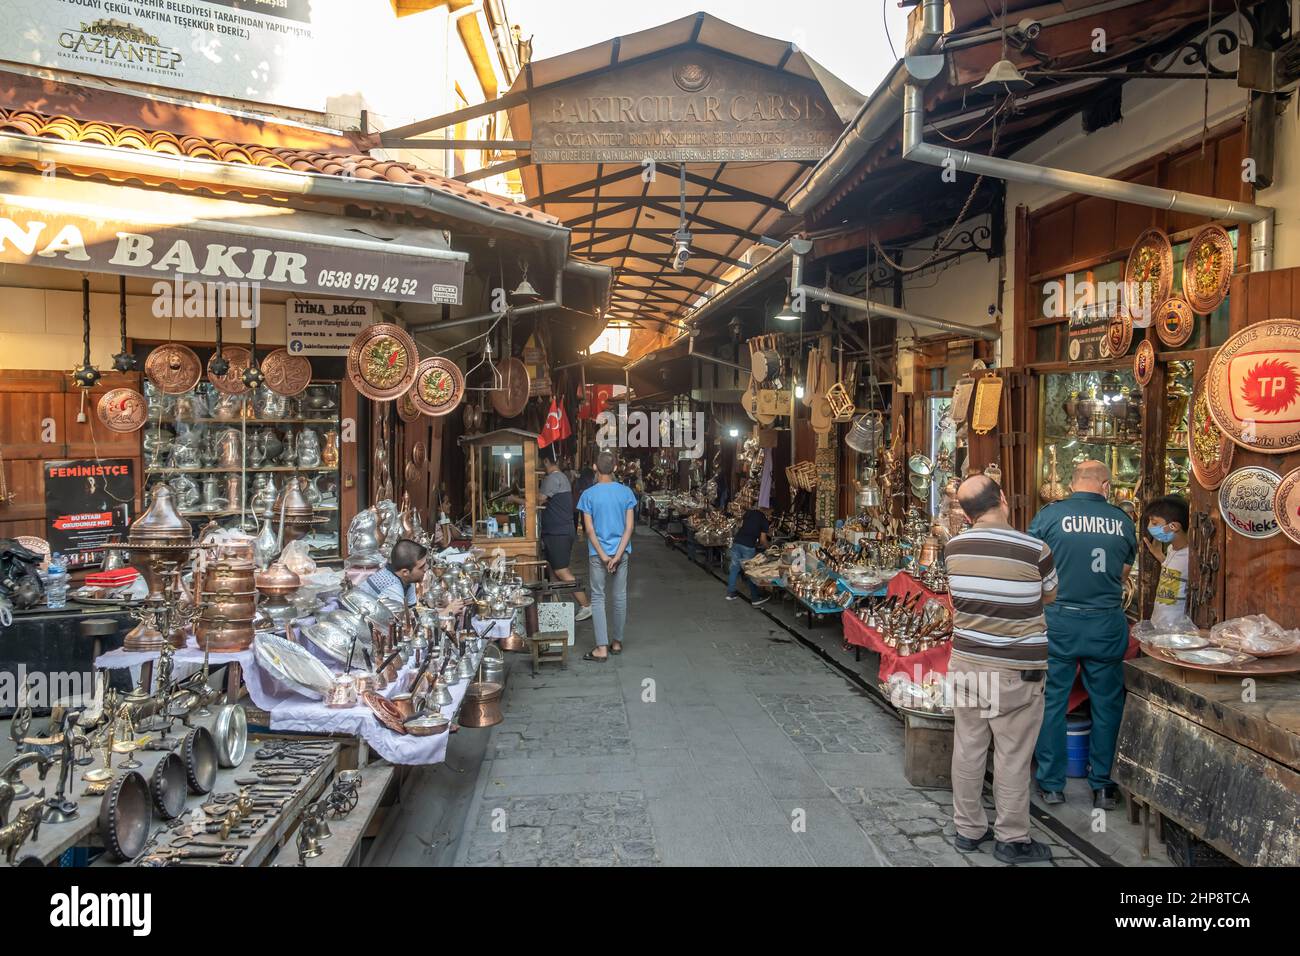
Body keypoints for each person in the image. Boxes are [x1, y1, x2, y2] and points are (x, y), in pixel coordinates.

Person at [944, 476, 1059, 864]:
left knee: (969, 746)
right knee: (1011, 753)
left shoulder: (953, 547)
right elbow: (1050, 594)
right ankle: (1011, 837)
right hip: (1015, 668)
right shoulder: (1035, 549)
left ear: (964, 513)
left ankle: (967, 829)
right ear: (1004, 500)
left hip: (967, 663)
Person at [1028, 460, 1136, 811]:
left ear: (1073, 484)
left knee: (1053, 702)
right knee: (1107, 704)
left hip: (1059, 621)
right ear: (1105, 485)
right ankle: (1103, 786)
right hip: (1105, 622)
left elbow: (1032, 570)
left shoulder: (1049, 516)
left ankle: (1052, 784)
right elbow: (1122, 573)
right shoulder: (1122, 520)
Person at [576, 451, 637, 661]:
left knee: (599, 598)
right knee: (619, 596)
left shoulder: (588, 495)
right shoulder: (626, 493)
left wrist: (603, 556)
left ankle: (601, 648)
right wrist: (617, 555)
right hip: (621, 553)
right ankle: (617, 642)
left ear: (594, 467)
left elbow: (589, 531)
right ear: (616, 468)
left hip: (598, 554)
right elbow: (629, 528)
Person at [538, 454, 592, 621]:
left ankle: (586, 605)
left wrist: (515, 498)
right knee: (554, 569)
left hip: (558, 532)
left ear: (546, 460)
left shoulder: (553, 478)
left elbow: (538, 500)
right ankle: (555, 606)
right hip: (560, 530)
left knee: (561, 570)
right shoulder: (561, 477)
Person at [1143, 495, 1190, 628]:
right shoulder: (1170, 549)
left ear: (1174, 526)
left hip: (1176, 630)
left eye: (1155, 523)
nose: (1149, 527)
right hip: (1159, 623)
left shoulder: (1191, 556)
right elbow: (1175, 577)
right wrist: (1161, 558)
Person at [362, 538, 428, 608]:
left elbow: (412, 609)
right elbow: (400, 617)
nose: (426, 568)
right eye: (421, 567)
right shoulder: (392, 587)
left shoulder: (407, 578)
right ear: (405, 572)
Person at [726, 506, 771, 606]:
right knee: (750, 571)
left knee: (734, 568)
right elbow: (763, 539)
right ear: (768, 510)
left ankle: (730, 593)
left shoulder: (750, 513)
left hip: (737, 542)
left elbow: (742, 525)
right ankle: (755, 598)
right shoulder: (764, 520)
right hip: (748, 546)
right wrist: (769, 548)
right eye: (770, 512)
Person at [573, 461, 596, 534]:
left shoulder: (580, 479)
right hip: (588, 497)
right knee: (585, 514)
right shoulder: (591, 478)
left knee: (577, 513)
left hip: (578, 498)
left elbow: (576, 488)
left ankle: (575, 530)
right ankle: (585, 529)